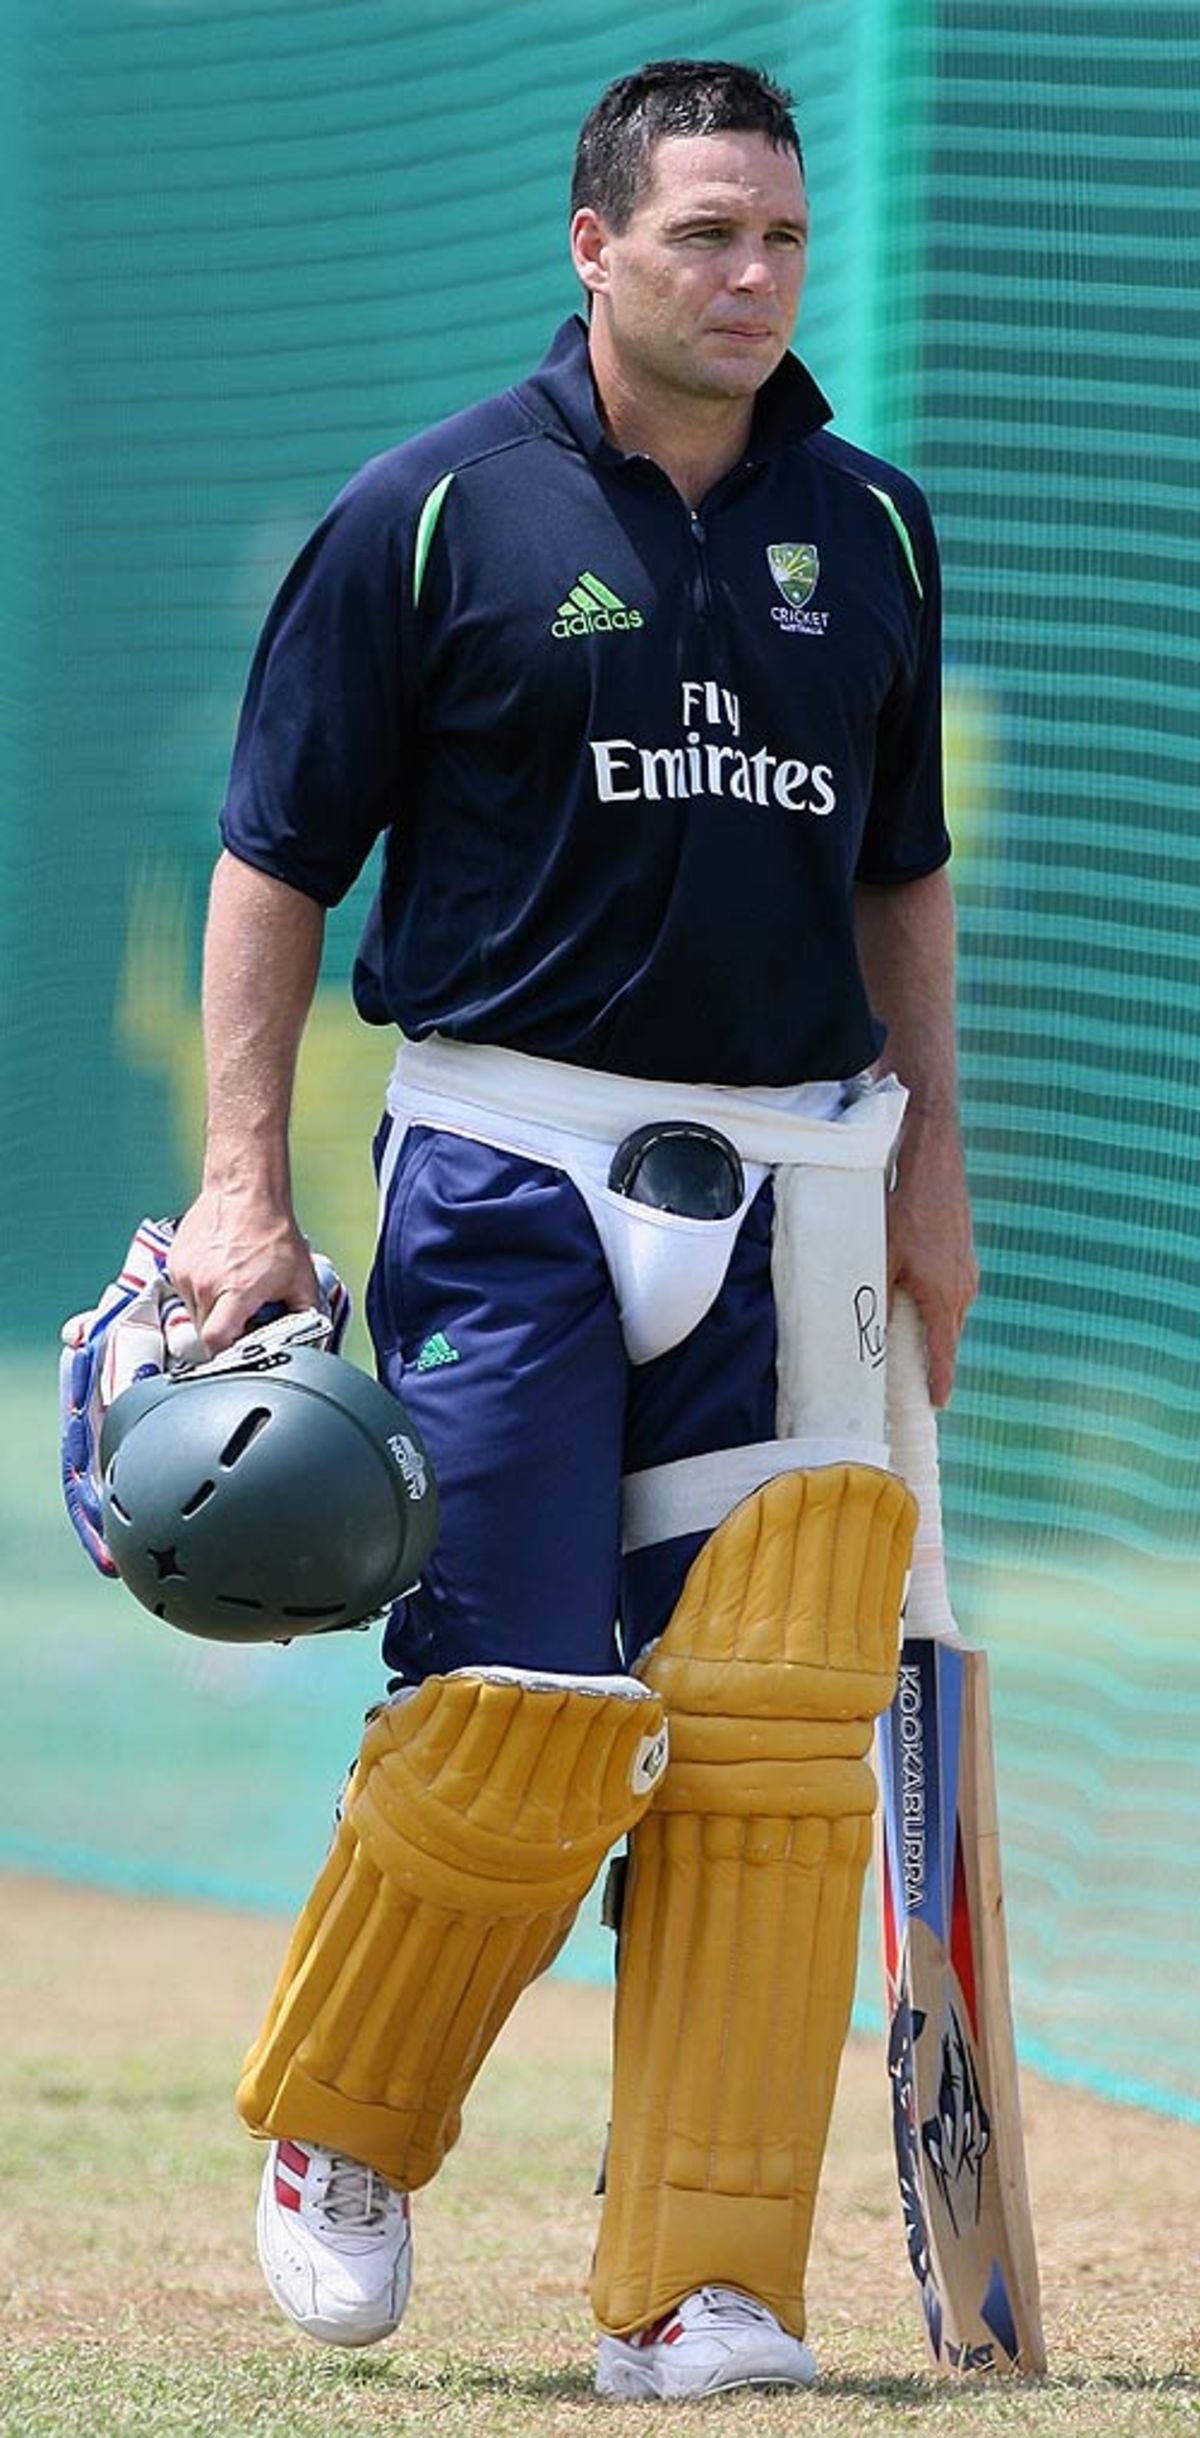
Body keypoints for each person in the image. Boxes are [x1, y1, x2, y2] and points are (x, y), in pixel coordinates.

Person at [169, 57, 977, 2402]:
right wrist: (245, 1184)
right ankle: (345, 2125)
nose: (751, 277)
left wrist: (933, 1166)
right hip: (513, 1163)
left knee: (772, 1749)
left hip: (808, 1179)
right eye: (706, 233)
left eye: (782, 240)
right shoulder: (430, 517)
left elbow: (898, 873)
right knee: (515, 1710)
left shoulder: (878, 528)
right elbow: (275, 861)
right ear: (593, 244)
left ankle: (698, 2289)